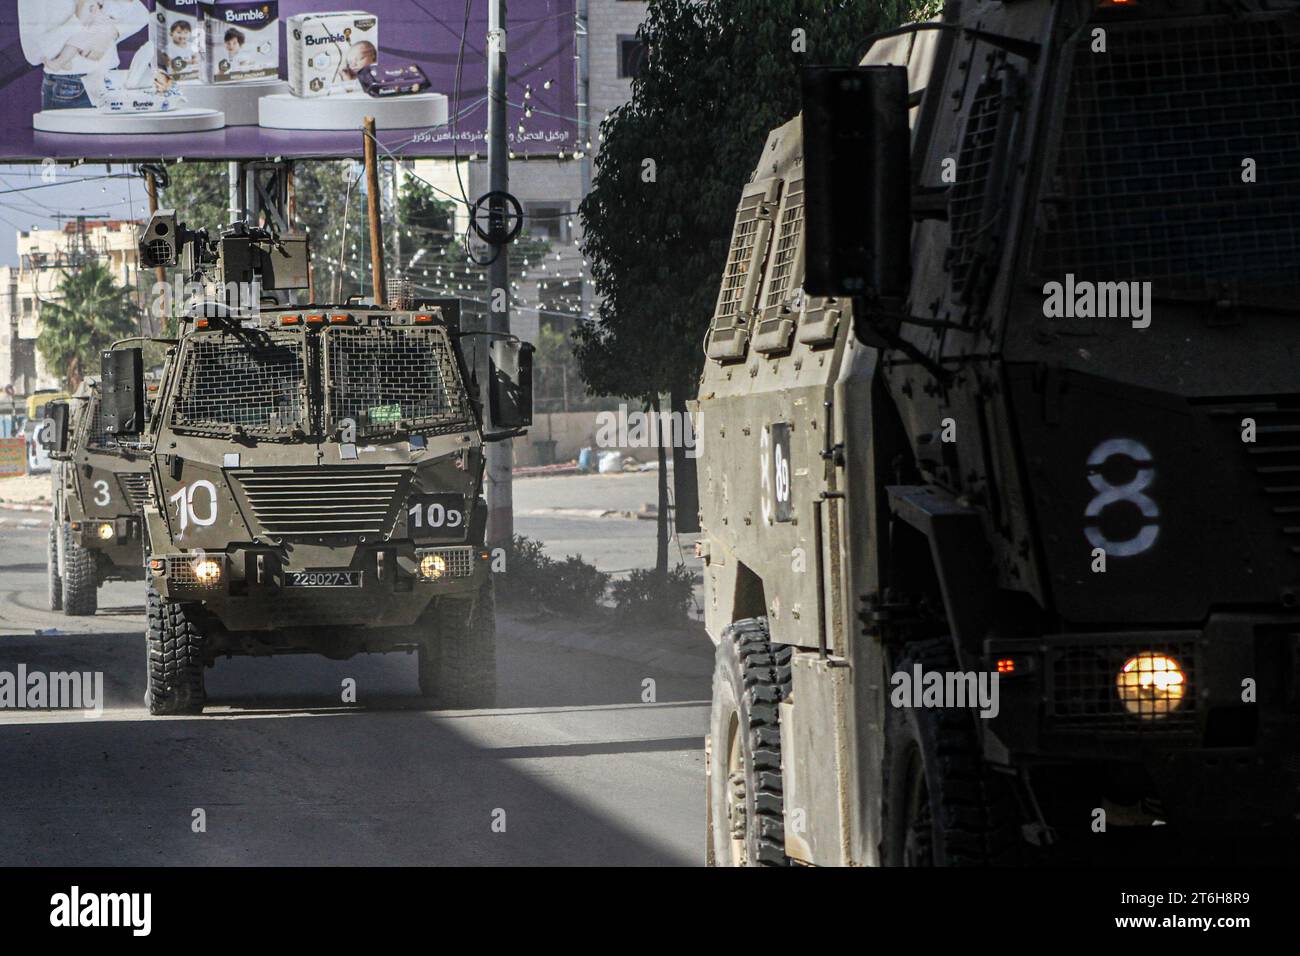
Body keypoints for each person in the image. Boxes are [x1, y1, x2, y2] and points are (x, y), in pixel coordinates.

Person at [19, 0, 150, 111]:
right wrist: (78, 21)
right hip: (71, 87)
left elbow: (140, 13)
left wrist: (109, 32)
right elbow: (34, 53)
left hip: (110, 81)